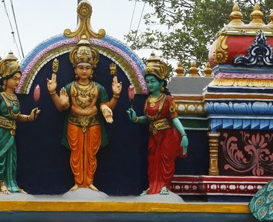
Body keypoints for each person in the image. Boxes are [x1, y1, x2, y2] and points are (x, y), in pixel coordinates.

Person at [47, 37, 122, 191]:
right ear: (75, 70)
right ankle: (78, 182)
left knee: (91, 154)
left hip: (93, 124)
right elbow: (62, 107)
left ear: (92, 70)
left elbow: (106, 107)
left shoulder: (99, 88)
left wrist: (115, 96)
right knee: (76, 153)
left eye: (87, 68)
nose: (84, 71)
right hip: (74, 123)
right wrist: (53, 93)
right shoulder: (69, 87)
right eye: (80, 67)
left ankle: (89, 182)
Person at [127, 53, 188, 195]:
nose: (149, 84)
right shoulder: (148, 100)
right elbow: (147, 118)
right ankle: (152, 186)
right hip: (153, 135)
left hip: (167, 135)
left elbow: (174, 118)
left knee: (166, 161)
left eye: (152, 81)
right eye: (147, 81)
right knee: (153, 161)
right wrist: (136, 118)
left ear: (161, 83)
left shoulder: (167, 99)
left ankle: (164, 186)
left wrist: (184, 134)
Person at [0, 52, 39, 194]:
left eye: (19, 79)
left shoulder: (14, 97)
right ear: (5, 79)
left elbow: (15, 116)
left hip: (11, 132)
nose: (17, 82)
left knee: (12, 160)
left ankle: (12, 184)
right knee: (0, 159)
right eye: (14, 79)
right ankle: (1, 184)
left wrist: (29, 118)